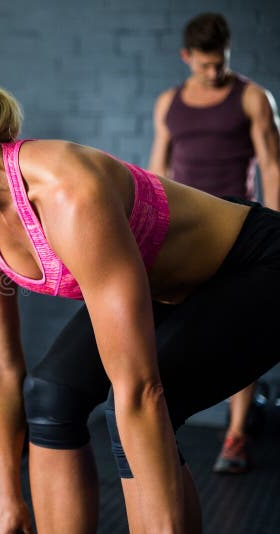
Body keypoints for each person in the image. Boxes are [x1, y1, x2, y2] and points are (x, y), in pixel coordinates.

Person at [0, 37, 280, 534]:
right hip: (167, 286)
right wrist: (7, 496)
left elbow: (139, 388)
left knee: (135, 413)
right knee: (51, 394)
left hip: (256, 265)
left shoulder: (64, 191)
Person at [148, 12, 280, 475]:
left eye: (220, 61)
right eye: (204, 64)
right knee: (171, 328)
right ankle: (163, 431)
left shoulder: (252, 98)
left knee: (239, 329)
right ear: (186, 56)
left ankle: (236, 435)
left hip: (236, 229)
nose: (213, 71)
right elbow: (157, 169)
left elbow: (272, 165)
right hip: (183, 232)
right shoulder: (169, 103)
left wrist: (276, 228)